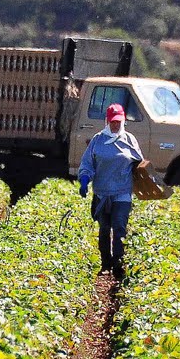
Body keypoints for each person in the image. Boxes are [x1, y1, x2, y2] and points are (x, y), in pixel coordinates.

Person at [78, 102, 146, 280]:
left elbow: (140, 164)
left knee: (119, 227)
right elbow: (87, 164)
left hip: (122, 192)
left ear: (123, 121)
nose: (116, 125)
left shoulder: (130, 140)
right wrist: (85, 180)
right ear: (107, 121)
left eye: (119, 121)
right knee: (104, 228)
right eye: (113, 122)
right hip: (102, 193)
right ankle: (105, 264)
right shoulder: (98, 140)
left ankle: (118, 265)